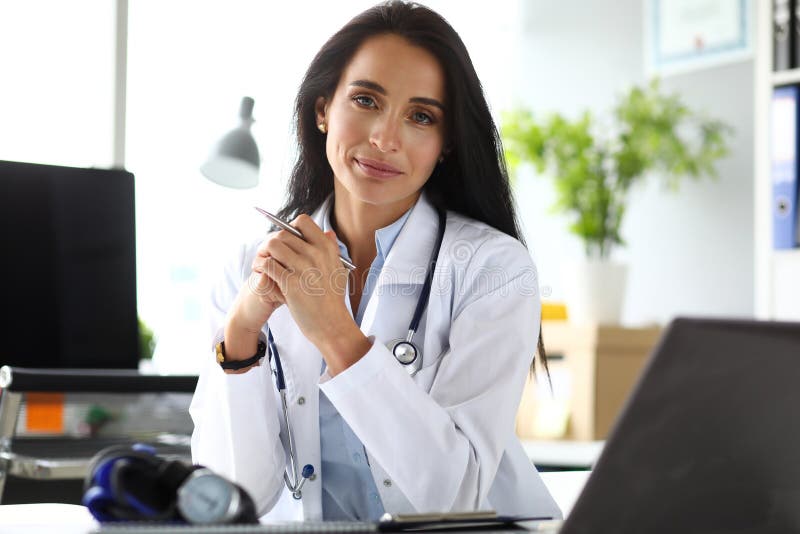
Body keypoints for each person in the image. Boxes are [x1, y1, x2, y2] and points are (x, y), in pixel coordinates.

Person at [190, 0, 561, 522]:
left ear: (446, 143)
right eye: (366, 100)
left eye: (421, 116)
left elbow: (453, 497)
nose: (385, 139)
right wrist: (242, 332)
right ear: (323, 109)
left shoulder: (493, 268)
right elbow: (234, 498)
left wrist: (335, 333)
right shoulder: (247, 267)